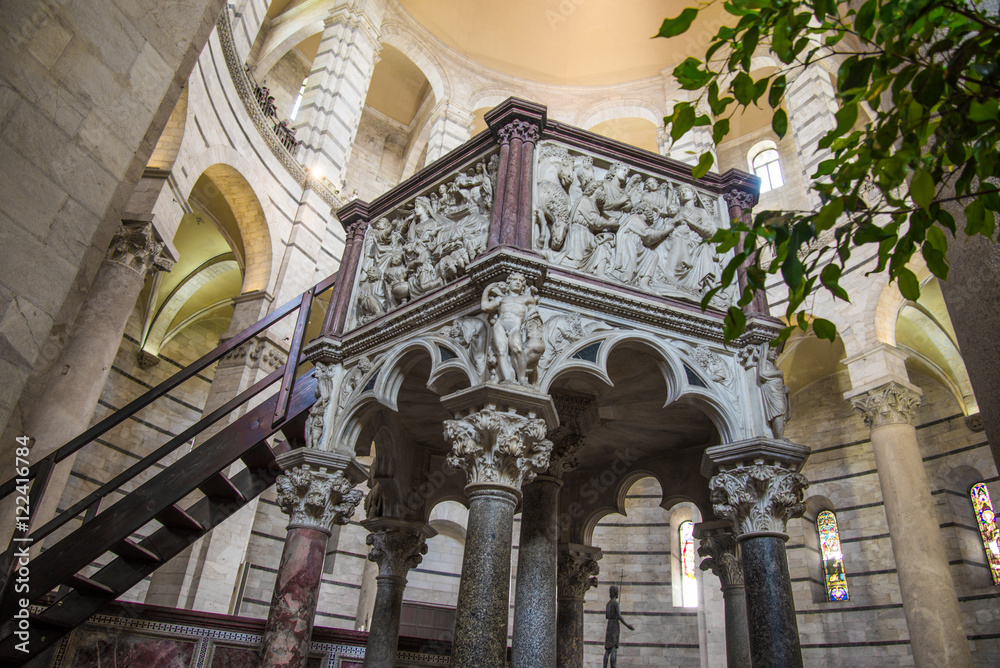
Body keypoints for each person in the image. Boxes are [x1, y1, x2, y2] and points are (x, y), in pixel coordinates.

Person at [481, 273, 543, 385]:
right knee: (501, 351)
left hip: (515, 327)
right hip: (500, 325)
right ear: (508, 284)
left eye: (520, 281)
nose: (518, 282)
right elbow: (485, 307)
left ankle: (522, 379)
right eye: (515, 280)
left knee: (518, 349)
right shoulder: (501, 299)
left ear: (523, 287)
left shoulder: (527, 299)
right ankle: (508, 379)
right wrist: (487, 289)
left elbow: (534, 317)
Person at [604, 585, 634, 668]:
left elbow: (607, 616)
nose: (618, 594)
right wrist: (627, 625)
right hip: (614, 625)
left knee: (607, 650)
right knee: (613, 649)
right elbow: (619, 616)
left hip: (609, 625)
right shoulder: (615, 603)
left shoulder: (608, 604)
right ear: (615, 593)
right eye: (617, 592)